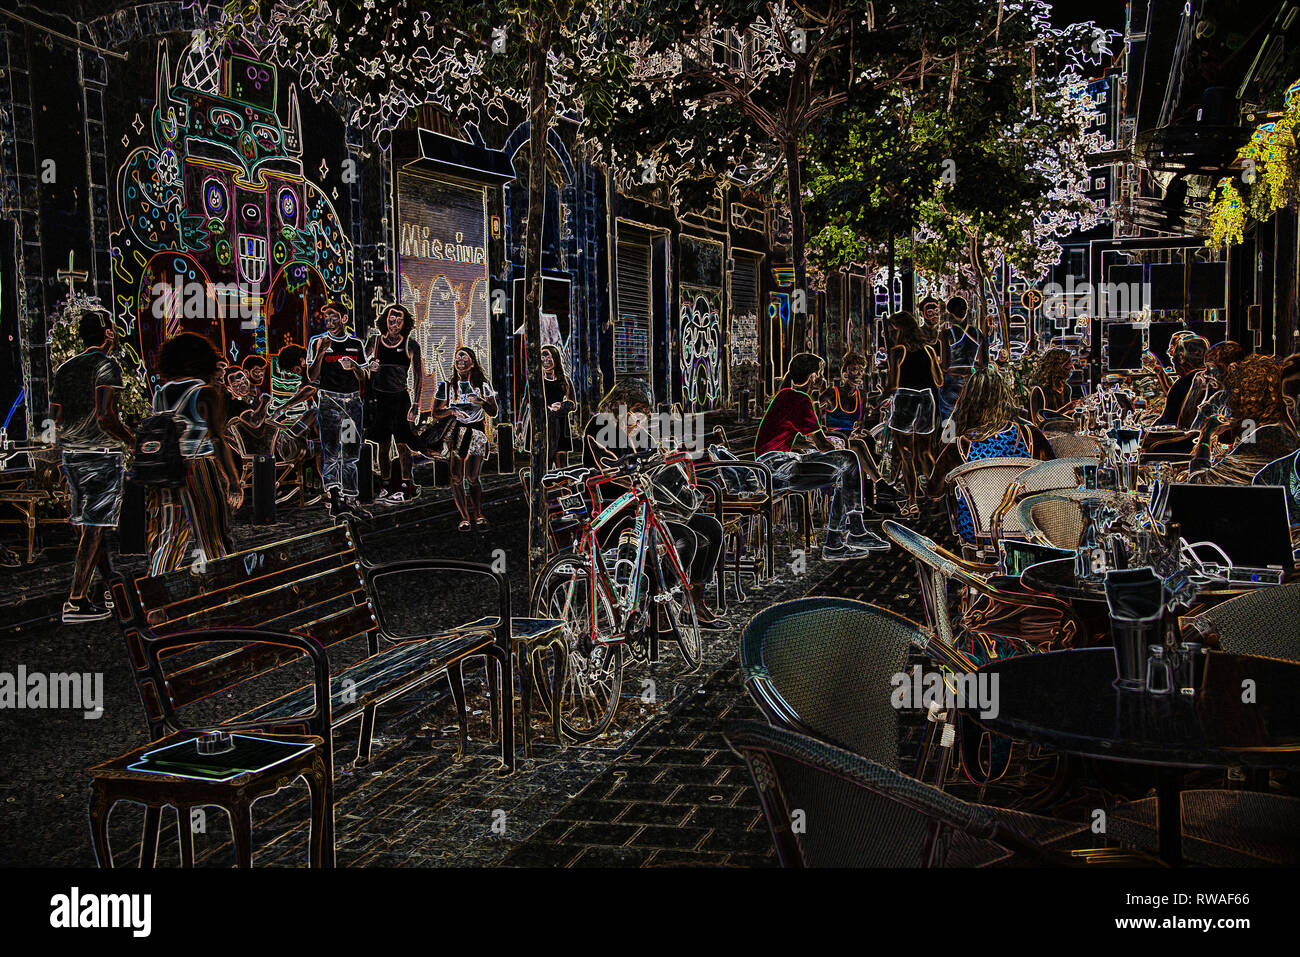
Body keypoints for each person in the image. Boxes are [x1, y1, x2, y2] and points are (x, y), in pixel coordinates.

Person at [581, 378, 727, 631]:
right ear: (619, 405)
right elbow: (618, 474)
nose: (640, 417)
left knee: (712, 529)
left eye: (644, 412)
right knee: (683, 539)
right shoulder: (600, 426)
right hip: (617, 513)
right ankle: (657, 608)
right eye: (636, 409)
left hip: (652, 508)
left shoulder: (639, 431)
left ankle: (695, 600)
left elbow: (659, 463)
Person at [755, 352, 889, 558]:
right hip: (777, 469)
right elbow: (822, 444)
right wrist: (834, 450)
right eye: (819, 373)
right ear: (811, 377)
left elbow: (798, 436)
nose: (822, 378)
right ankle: (839, 540)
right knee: (846, 466)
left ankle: (853, 531)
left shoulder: (787, 395)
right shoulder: (800, 399)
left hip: (777, 463)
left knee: (849, 460)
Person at [49, 310, 134, 622]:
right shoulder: (107, 365)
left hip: (71, 453)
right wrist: (131, 439)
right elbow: (105, 415)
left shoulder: (64, 368)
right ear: (108, 333)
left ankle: (109, 586)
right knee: (95, 525)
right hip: (100, 452)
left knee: (89, 526)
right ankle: (76, 598)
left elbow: (55, 418)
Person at [145, 333, 242, 575]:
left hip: (169, 469)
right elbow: (217, 438)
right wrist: (233, 481)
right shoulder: (206, 392)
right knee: (213, 533)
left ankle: (157, 598)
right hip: (199, 467)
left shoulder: (162, 393)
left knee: (170, 537)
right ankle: (227, 588)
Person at [927, 368, 1053, 542]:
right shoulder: (1030, 435)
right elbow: (1055, 475)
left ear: (968, 400)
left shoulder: (959, 446)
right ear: (1004, 398)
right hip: (1029, 527)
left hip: (978, 532)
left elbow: (934, 490)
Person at [1188, 354, 1300, 485]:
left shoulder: (1271, 435)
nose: (1296, 413)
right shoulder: (1281, 435)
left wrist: (1206, 436)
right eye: (1289, 403)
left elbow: (1199, 483)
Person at [308, 302, 372, 519]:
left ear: (344, 319)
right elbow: (311, 376)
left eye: (334, 316)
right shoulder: (317, 342)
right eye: (326, 317)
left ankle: (351, 499)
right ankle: (335, 500)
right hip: (329, 403)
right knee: (332, 452)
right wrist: (320, 352)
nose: (330, 320)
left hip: (351, 404)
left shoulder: (355, 344)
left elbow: (363, 376)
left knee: (351, 452)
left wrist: (354, 367)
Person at [432, 347, 497, 530]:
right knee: (456, 477)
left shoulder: (482, 385)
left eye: (464, 358)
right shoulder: (446, 386)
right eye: (457, 359)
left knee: (472, 476)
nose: (460, 361)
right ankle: (465, 517)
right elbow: (435, 412)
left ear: (472, 363)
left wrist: (481, 402)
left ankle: (478, 513)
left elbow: (493, 411)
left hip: (476, 432)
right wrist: (451, 410)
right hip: (456, 433)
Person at [366, 303, 424, 503]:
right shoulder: (375, 342)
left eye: (399, 320)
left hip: (400, 399)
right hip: (380, 399)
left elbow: (418, 376)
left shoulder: (410, 344)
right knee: (383, 444)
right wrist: (369, 368)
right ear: (385, 320)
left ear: (404, 323)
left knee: (403, 444)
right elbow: (362, 367)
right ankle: (385, 483)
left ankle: (407, 484)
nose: (395, 323)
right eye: (392, 319)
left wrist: (415, 404)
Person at [886, 310, 941, 515]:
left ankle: (911, 500)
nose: (891, 333)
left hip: (905, 399)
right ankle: (938, 496)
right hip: (926, 399)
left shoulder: (897, 351)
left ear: (900, 329)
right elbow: (939, 381)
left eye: (893, 329)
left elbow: (892, 385)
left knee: (906, 454)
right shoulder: (928, 351)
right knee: (925, 452)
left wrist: (879, 401)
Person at [938, 295, 980, 423]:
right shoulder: (978, 334)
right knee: (970, 417)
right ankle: (966, 442)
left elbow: (945, 365)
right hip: (971, 381)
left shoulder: (946, 334)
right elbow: (983, 363)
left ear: (950, 313)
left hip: (952, 381)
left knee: (949, 419)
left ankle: (949, 441)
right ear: (966, 310)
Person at [1026, 347, 1077, 426]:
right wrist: (1063, 413)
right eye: (1067, 364)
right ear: (1056, 367)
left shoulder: (1066, 389)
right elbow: (1037, 424)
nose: (1072, 368)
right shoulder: (1039, 391)